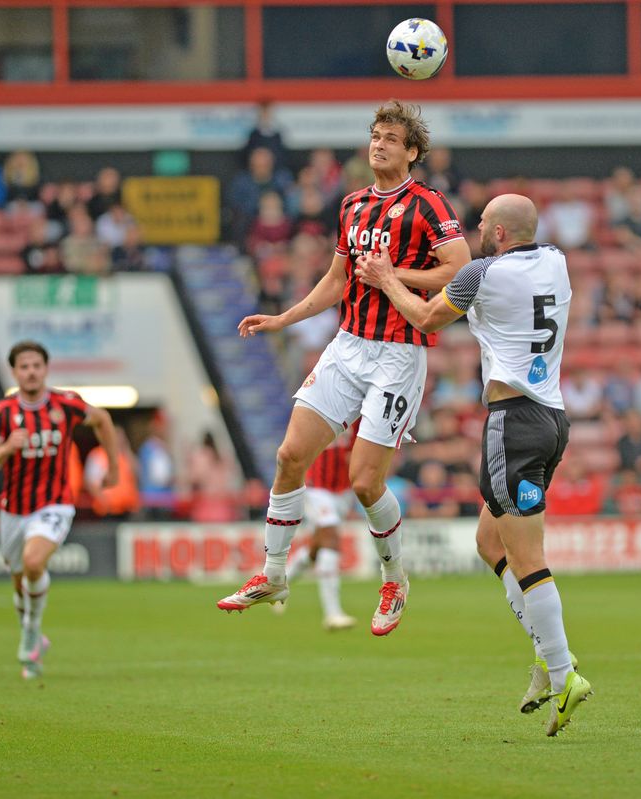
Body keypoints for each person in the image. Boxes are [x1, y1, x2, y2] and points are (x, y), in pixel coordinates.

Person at [215, 101, 470, 639]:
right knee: (289, 455)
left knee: (363, 481)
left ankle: (394, 578)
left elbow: (460, 268)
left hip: (398, 353)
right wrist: (284, 317)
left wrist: (390, 273)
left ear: (412, 152)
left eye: (391, 139)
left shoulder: (427, 204)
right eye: (375, 136)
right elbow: (338, 281)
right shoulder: (352, 205)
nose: (378, 144)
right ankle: (276, 574)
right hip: (347, 345)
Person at [356, 192, 592, 736]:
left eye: (483, 224)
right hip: (552, 418)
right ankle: (546, 652)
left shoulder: (483, 273)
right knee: (491, 544)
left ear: (501, 234)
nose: (477, 231)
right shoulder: (556, 260)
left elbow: (425, 319)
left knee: (528, 558)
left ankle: (563, 672)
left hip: (512, 423)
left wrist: (385, 279)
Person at [0, 341, 119, 680]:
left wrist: (112, 465)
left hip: (55, 503)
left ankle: (30, 633)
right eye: (24, 366)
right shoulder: (2, 412)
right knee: (19, 582)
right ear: (14, 372)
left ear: (45, 369)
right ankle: (35, 636)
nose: (31, 371)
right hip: (13, 510)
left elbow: (103, 419)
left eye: (36, 365)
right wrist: (8, 447)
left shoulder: (65, 403)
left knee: (34, 562)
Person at [281, 423, 359, 631]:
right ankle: (332, 614)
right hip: (317, 489)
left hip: (343, 492)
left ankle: (280, 582)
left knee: (317, 548)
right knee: (331, 537)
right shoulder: (321, 409)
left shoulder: (360, 414)